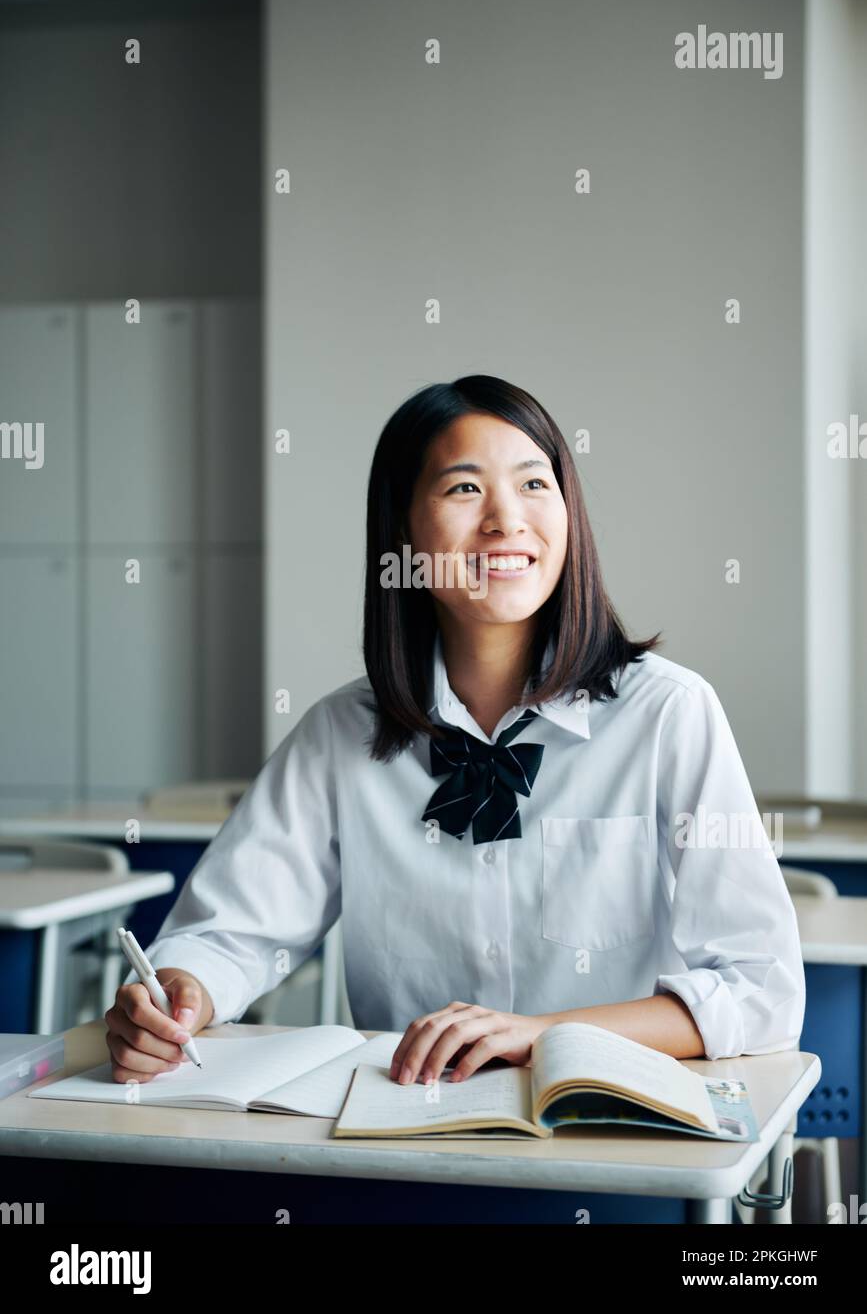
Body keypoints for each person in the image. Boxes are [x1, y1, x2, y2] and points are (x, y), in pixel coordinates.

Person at [105, 374, 805, 1089]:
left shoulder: (667, 714)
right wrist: (177, 996)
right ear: (403, 531)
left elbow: (760, 991)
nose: (506, 520)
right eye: (463, 489)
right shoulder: (340, 736)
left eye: (534, 484)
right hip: (406, 1136)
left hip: (608, 1128)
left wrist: (541, 1037)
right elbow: (232, 933)